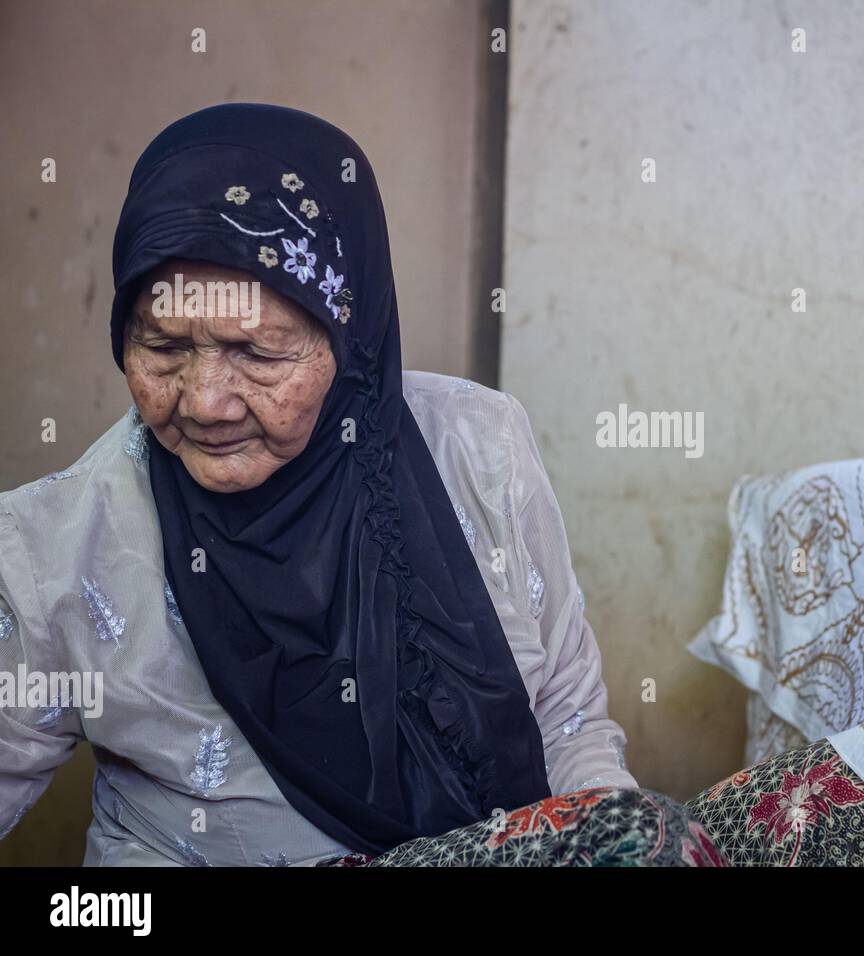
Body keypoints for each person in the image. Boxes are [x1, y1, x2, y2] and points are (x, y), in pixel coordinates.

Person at [0, 103, 689, 866]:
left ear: (351, 337)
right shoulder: (54, 547)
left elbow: (566, 719)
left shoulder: (480, 447)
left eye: (256, 353)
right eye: (161, 346)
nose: (204, 401)